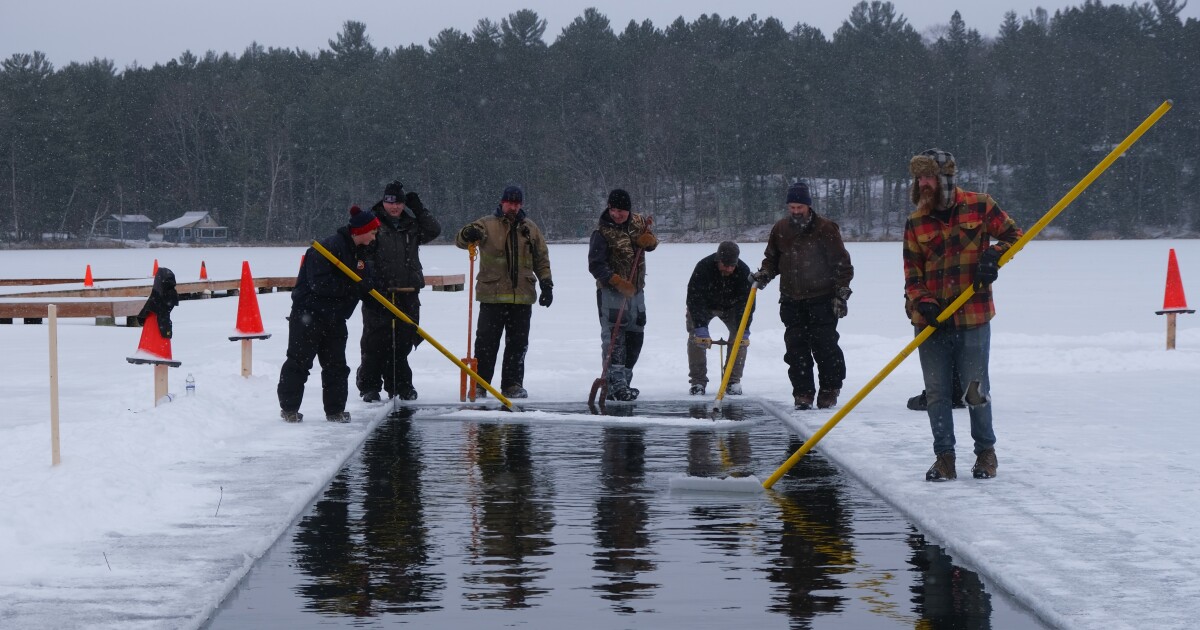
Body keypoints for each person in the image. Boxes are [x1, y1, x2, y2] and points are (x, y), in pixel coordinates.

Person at [904, 148, 1022, 481]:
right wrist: (923, 301)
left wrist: (992, 257)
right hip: (931, 322)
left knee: (975, 390)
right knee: (937, 393)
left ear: (945, 177)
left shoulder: (981, 206)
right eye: (918, 178)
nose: (922, 183)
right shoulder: (915, 222)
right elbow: (912, 274)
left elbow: (1015, 235)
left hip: (973, 317)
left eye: (928, 176)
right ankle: (945, 458)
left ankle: (986, 454)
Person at [751, 182, 854, 410]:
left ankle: (829, 389)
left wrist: (841, 293)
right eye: (792, 207)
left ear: (808, 205)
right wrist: (765, 273)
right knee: (796, 350)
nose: (796, 211)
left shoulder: (825, 228)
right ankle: (803, 393)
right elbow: (772, 258)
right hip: (791, 300)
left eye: (800, 207)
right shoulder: (781, 228)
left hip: (821, 298)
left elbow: (842, 264)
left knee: (825, 346)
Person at [278, 206, 380, 423]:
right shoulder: (327, 248)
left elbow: (365, 284)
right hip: (309, 314)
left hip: (336, 318)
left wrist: (369, 291)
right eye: (372, 232)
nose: (374, 237)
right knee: (299, 363)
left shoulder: (362, 253)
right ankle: (289, 409)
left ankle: (335, 411)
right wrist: (354, 288)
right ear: (360, 231)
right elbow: (320, 285)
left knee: (336, 366)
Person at [455, 185, 553, 399]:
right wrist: (467, 234)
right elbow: (461, 241)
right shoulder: (486, 225)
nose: (513, 207)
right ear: (502, 202)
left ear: (522, 205)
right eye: (510, 203)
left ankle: (512, 385)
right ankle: (480, 385)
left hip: (522, 296)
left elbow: (541, 259)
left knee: (518, 344)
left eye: (517, 203)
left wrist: (547, 284)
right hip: (492, 296)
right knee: (486, 343)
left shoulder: (530, 228)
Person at [356, 180, 441, 402]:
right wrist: (372, 281)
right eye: (389, 203)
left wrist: (419, 208)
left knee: (404, 339)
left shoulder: (412, 224)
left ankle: (400, 385)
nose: (394, 208)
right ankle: (369, 386)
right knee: (375, 341)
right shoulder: (372, 222)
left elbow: (434, 230)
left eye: (398, 204)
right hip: (379, 292)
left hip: (408, 289)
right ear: (383, 202)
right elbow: (362, 252)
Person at [588, 188, 658, 401]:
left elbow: (650, 243)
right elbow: (595, 266)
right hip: (611, 292)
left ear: (629, 211)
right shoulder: (601, 232)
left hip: (637, 291)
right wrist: (617, 282)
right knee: (615, 336)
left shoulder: (638, 222)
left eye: (621, 211)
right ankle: (614, 383)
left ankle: (625, 380)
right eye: (613, 209)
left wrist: (650, 241)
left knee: (636, 335)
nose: (617, 214)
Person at [685, 241, 755, 396]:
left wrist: (744, 328)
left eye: (732, 265)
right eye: (726, 265)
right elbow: (694, 298)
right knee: (696, 338)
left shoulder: (743, 271)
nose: (729, 269)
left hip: (732, 308)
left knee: (740, 340)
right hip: (705, 306)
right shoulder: (703, 267)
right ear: (718, 260)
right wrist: (700, 327)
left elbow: (747, 303)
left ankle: (733, 381)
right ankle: (698, 382)